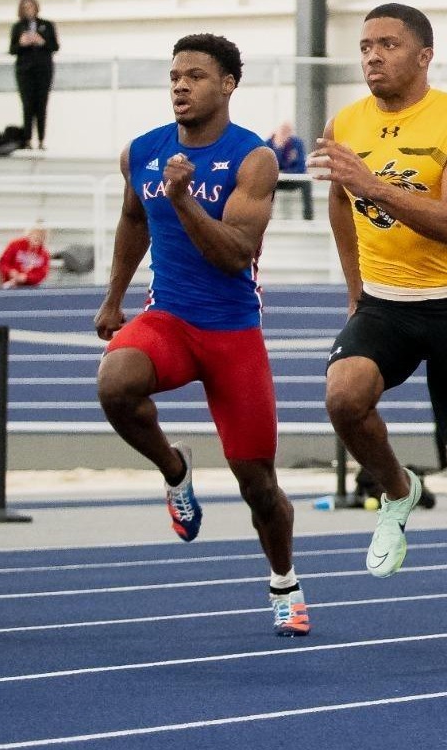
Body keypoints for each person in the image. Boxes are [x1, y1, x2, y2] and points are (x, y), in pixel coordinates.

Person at [308, 1, 447, 669]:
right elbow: (339, 204)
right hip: (385, 306)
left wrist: (372, 183)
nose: (372, 55)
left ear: (424, 55)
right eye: (365, 45)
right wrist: (354, 290)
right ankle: (397, 488)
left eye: (388, 44)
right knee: (343, 397)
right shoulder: (344, 123)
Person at [93, 33, 308, 637]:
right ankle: (174, 470)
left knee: (258, 484)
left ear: (228, 84)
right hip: (169, 319)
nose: (180, 87)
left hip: (232, 334)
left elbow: (235, 254)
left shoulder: (254, 158)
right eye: (174, 77)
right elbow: (133, 219)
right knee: (115, 383)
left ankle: (284, 582)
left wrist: (184, 201)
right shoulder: (142, 151)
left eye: (195, 76)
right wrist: (113, 298)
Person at [9, 0, 59, 149]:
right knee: (27, 104)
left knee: (41, 104)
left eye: (30, 6)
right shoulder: (18, 27)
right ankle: (27, 139)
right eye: (25, 8)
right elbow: (12, 49)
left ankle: (42, 140)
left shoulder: (47, 25)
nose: (28, 10)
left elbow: (55, 46)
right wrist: (21, 43)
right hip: (25, 71)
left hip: (43, 70)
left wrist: (41, 41)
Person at [266, 122, 313, 220]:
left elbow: (301, 166)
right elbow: (268, 165)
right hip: (275, 180)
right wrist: (278, 148)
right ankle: (267, 216)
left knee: (306, 183)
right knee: (268, 183)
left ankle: (308, 217)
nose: (285, 133)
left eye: (288, 131)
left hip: (292, 179)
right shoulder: (268, 144)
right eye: (282, 131)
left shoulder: (297, 144)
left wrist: (285, 172)